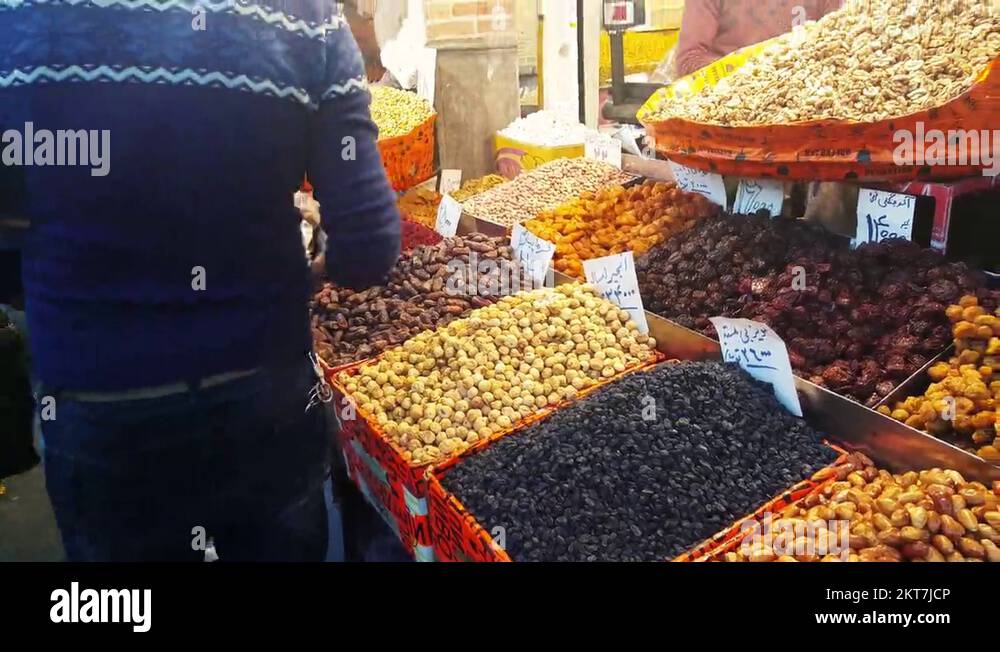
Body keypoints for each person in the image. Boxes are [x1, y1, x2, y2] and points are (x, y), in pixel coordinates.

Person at [0, 1, 400, 561]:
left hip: (99, 407)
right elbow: (369, 243)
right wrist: (309, 261)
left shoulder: (18, 17)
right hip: (265, 402)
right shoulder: (306, 19)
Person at [673, 0, 842, 78]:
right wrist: (757, 75)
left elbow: (840, 55)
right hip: (732, 116)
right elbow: (688, 61)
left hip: (809, 114)